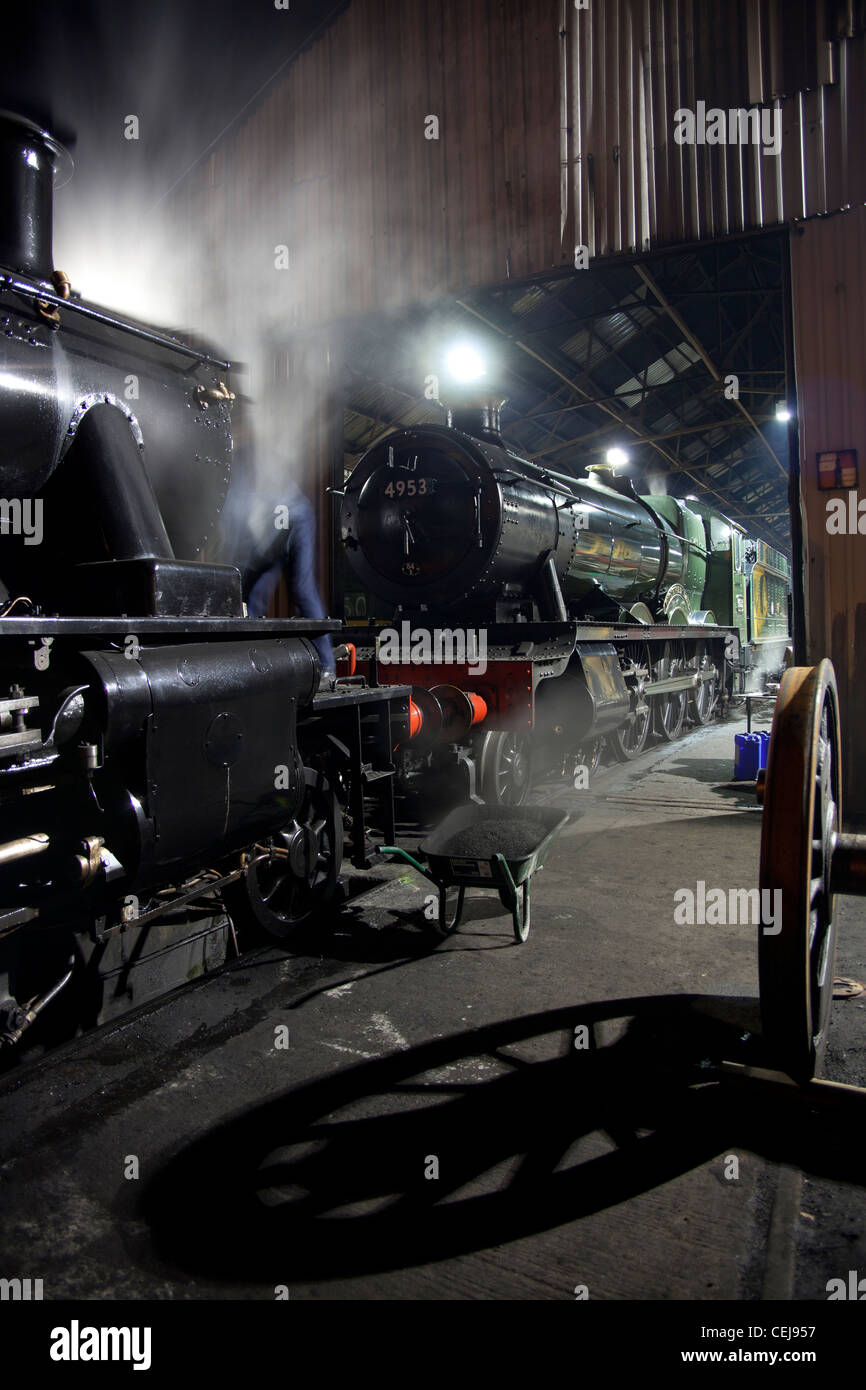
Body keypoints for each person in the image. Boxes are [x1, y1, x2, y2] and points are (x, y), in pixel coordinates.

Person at [222, 471, 336, 682]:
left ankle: (326, 665)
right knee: (256, 595)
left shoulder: (236, 490)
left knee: (300, 589)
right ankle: (250, 664)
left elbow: (236, 551)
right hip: (281, 522)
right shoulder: (240, 489)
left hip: (290, 518)